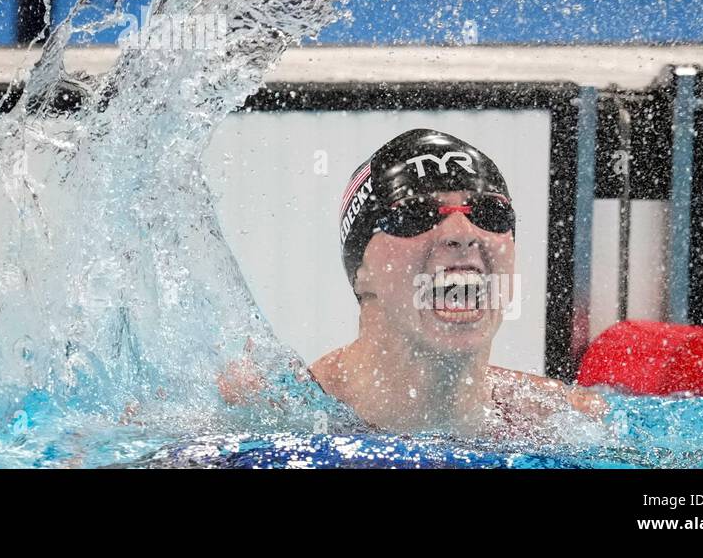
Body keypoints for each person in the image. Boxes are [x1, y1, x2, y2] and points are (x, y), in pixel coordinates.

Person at [220, 128, 607, 441]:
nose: (462, 232)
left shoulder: (567, 422)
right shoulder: (274, 417)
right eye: (416, 214)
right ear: (360, 271)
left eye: (488, 213)